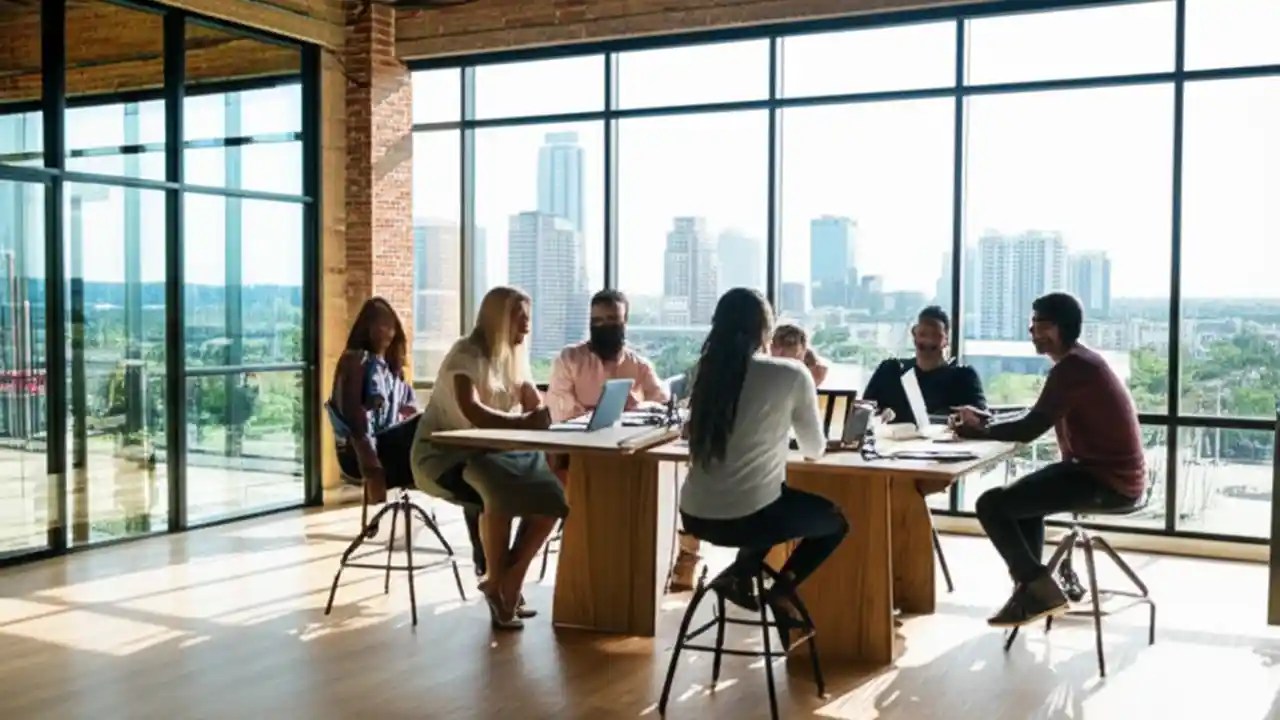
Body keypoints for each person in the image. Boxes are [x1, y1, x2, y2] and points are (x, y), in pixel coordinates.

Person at [952, 292, 1147, 628]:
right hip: (1097, 473)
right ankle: (1033, 590)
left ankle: (1037, 589)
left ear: (1059, 328)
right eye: (1033, 324)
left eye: (1039, 324)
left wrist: (974, 433)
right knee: (1018, 504)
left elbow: (1030, 427)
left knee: (992, 504)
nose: (1032, 331)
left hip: (1107, 482)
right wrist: (986, 421)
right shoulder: (1079, 363)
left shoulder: (1075, 368)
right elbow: (1036, 413)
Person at [680, 287, 849, 645]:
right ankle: (782, 590)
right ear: (765, 331)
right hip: (750, 518)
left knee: (769, 497)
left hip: (694, 515)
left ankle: (741, 575)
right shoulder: (790, 374)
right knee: (834, 522)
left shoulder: (703, 374)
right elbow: (813, 450)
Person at [411, 286, 569, 630]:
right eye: (520, 319)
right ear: (499, 319)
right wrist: (524, 422)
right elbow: (472, 410)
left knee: (553, 500)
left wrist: (541, 418)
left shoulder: (513, 357)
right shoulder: (465, 354)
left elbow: (532, 403)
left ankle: (505, 582)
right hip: (447, 453)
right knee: (499, 493)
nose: (527, 327)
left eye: (528, 319)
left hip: (496, 451)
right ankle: (502, 587)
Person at [329, 297, 418, 506]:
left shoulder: (392, 369)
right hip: (363, 452)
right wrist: (370, 465)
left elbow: (410, 406)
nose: (386, 332)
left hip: (390, 440)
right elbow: (354, 416)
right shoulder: (357, 360)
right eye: (380, 325)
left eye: (390, 326)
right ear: (366, 328)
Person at [546, 289, 669, 423]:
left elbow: (662, 402)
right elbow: (560, 414)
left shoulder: (639, 365)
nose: (604, 326)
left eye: (612, 320)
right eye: (597, 321)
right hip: (577, 440)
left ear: (625, 320)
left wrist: (637, 408)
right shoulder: (569, 360)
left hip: (624, 438)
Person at [862, 305, 986, 423]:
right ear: (914, 336)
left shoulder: (964, 377)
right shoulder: (890, 370)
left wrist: (971, 420)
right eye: (923, 334)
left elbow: (982, 419)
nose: (928, 341)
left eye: (935, 335)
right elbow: (863, 411)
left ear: (946, 339)